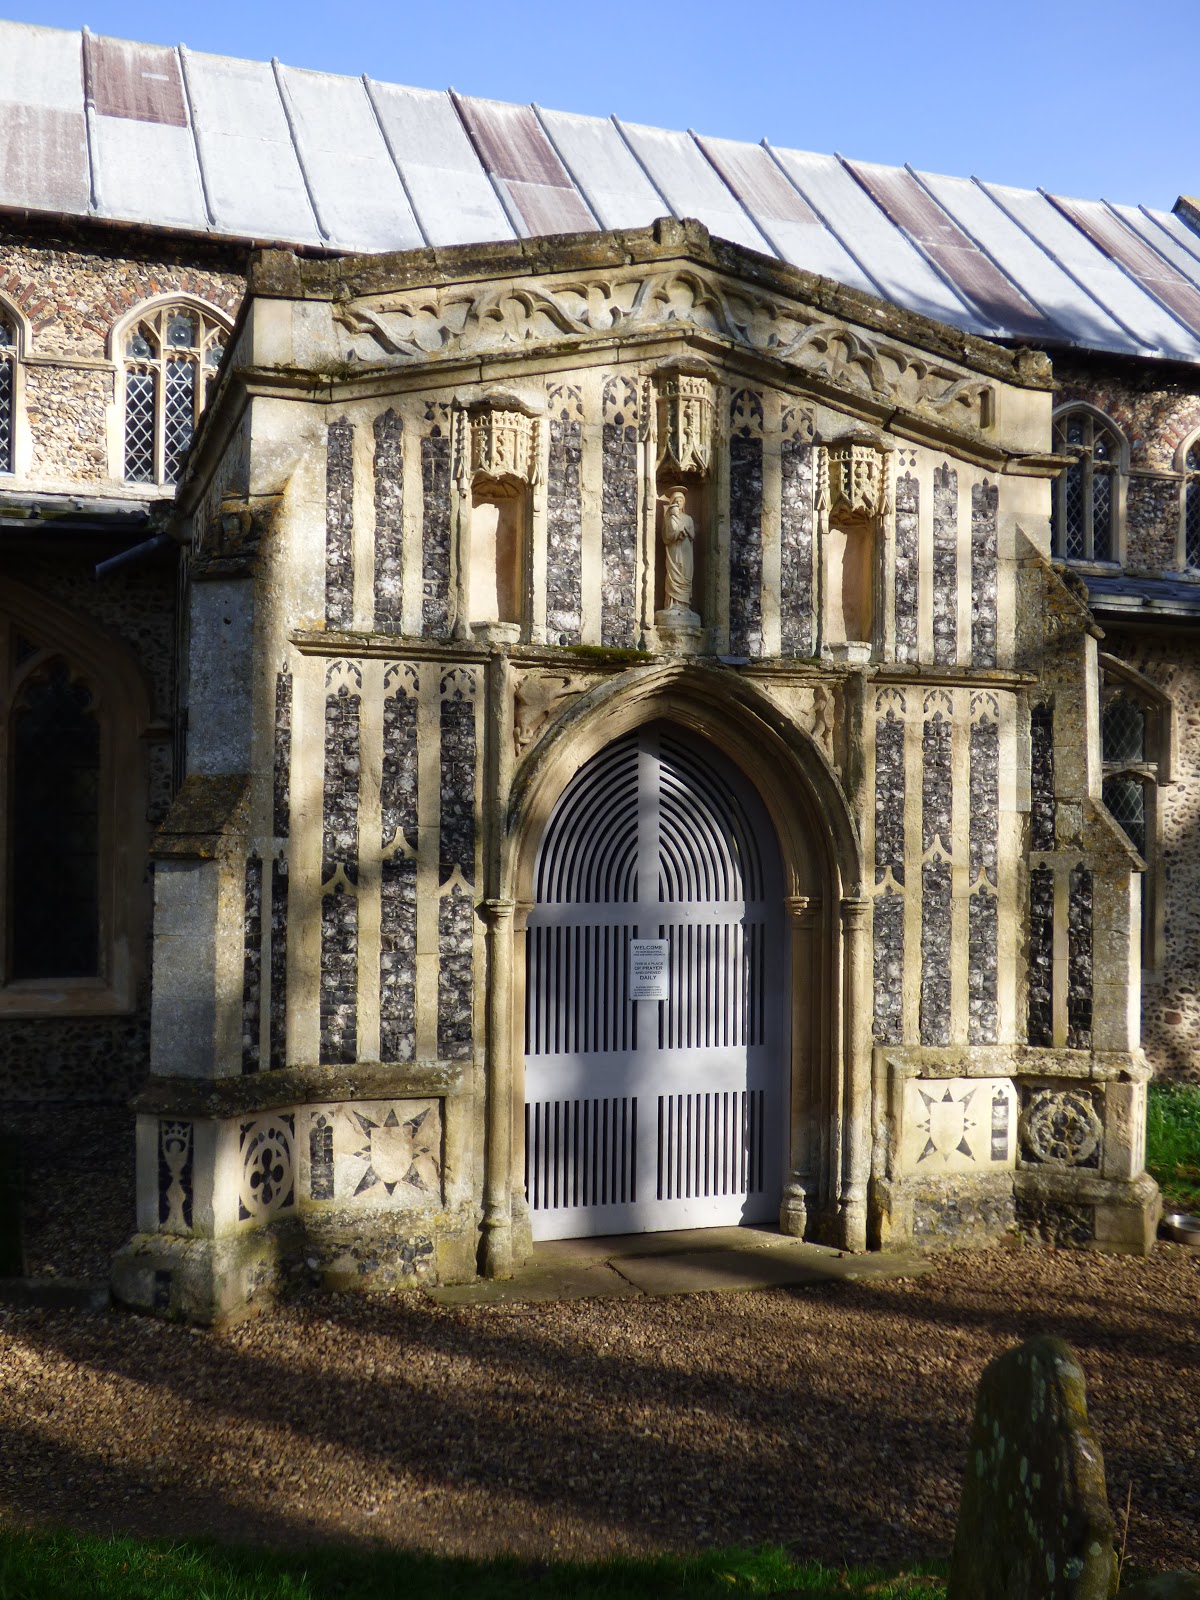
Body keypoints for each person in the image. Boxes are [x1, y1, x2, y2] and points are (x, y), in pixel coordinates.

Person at [658, 489, 695, 612]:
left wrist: (685, 530)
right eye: (676, 501)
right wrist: (674, 519)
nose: (679, 503)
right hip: (674, 550)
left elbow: (693, 535)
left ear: (684, 503)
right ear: (672, 503)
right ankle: (672, 605)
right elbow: (666, 536)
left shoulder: (688, 518)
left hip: (686, 549)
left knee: (685, 574)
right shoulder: (669, 518)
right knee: (673, 574)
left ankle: (684, 606)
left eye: (681, 501)